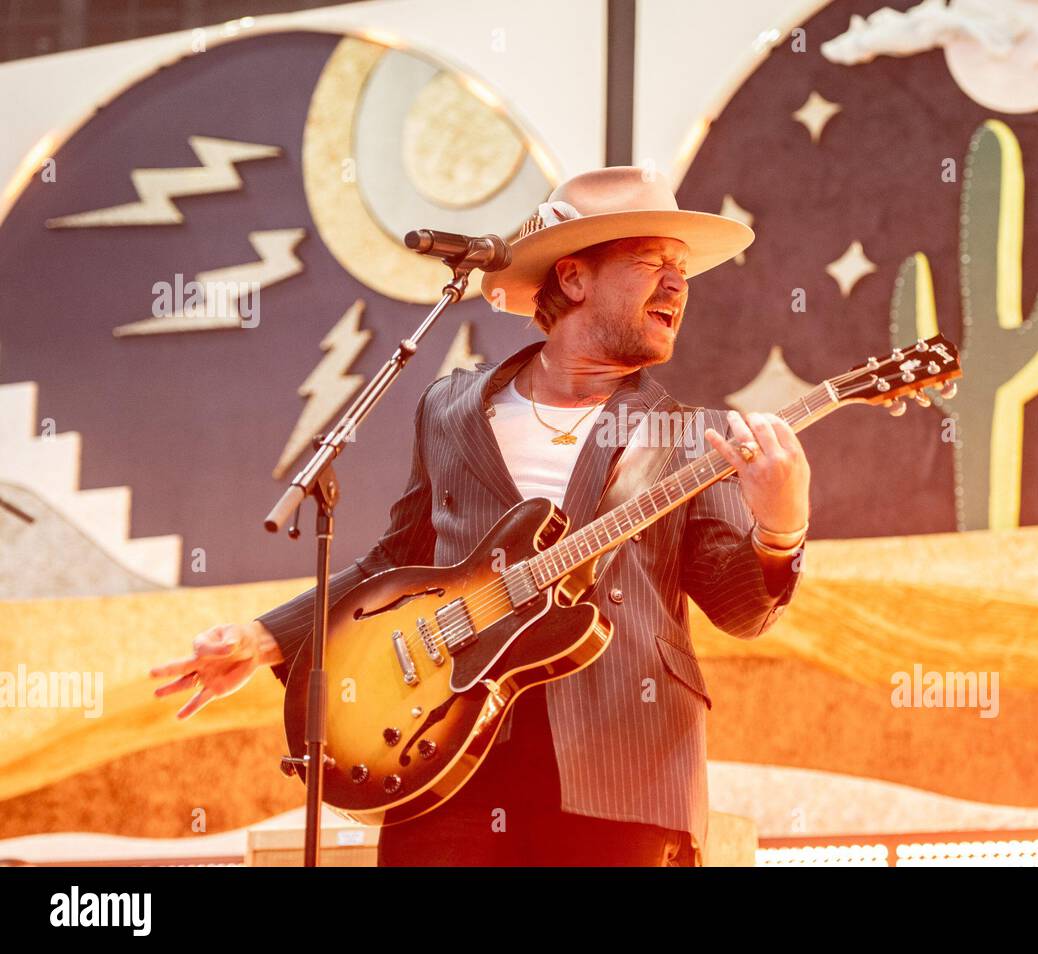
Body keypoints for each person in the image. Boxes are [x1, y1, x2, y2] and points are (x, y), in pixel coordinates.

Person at [150, 166, 811, 866]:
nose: (679, 285)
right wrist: (262, 638)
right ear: (575, 278)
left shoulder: (691, 435)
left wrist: (780, 527)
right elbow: (391, 567)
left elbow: (740, 608)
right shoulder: (451, 407)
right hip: (441, 753)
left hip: (625, 766)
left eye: (683, 270)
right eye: (653, 262)